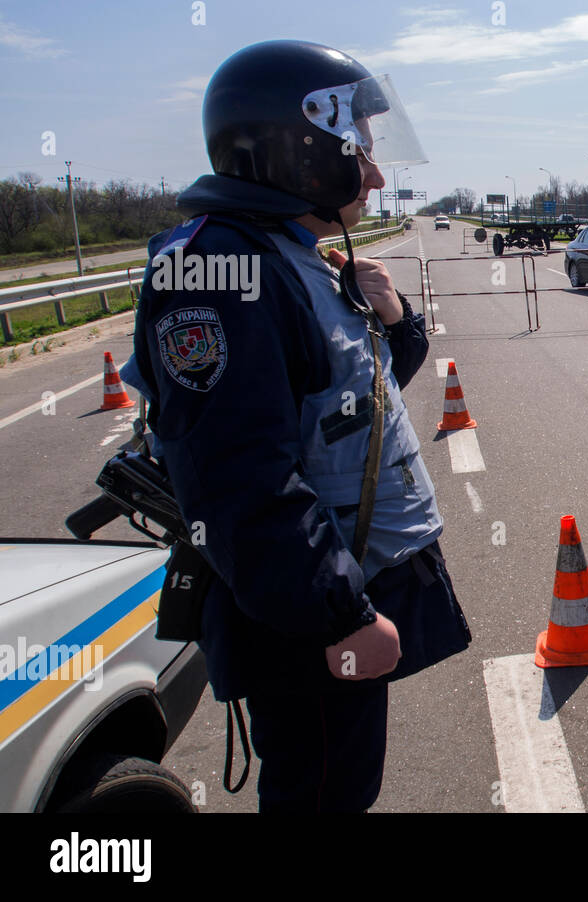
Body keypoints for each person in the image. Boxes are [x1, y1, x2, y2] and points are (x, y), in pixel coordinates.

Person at [120, 40, 471, 812]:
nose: (377, 176)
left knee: (339, 787)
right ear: (302, 149)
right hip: (304, 618)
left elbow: (347, 406)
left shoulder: (284, 255)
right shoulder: (219, 271)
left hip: (331, 587)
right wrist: (339, 613)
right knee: (318, 795)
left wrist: (395, 323)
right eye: (362, 152)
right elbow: (240, 475)